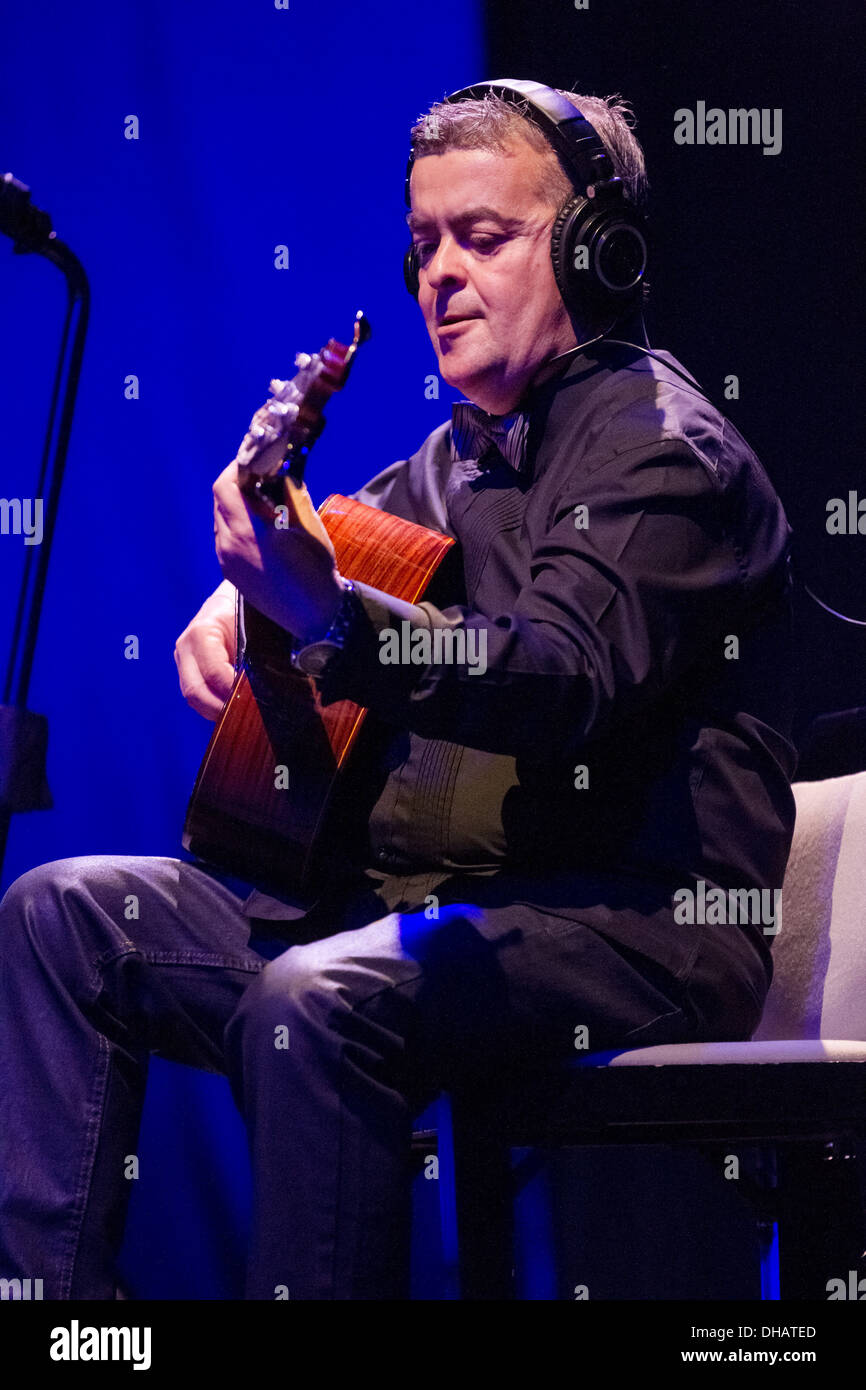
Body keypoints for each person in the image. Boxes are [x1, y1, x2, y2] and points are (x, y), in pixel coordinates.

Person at [0, 80, 797, 1301]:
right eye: (423, 242)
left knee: (314, 998)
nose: (439, 274)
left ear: (599, 250)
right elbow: (343, 550)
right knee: (64, 916)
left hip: (631, 926)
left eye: (483, 238)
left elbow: (555, 676)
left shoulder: (661, 451)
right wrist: (250, 602)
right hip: (429, 913)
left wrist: (328, 612)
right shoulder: (450, 458)